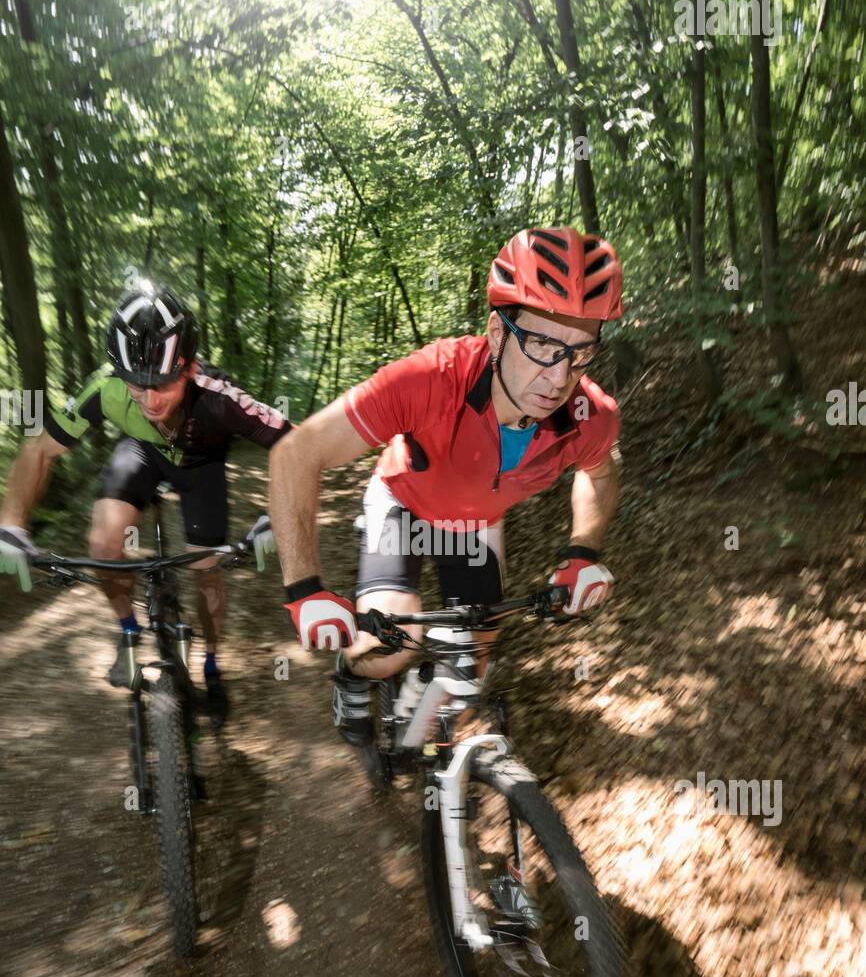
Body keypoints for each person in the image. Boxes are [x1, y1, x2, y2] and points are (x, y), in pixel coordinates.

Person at [268, 226, 623, 755]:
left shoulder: (589, 415)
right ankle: (350, 675)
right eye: (544, 344)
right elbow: (296, 453)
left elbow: (600, 473)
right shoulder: (432, 379)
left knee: (469, 667)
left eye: (580, 352)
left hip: (474, 524)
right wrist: (304, 590)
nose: (560, 375)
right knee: (387, 652)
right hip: (402, 504)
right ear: (498, 334)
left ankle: (419, 738)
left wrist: (582, 553)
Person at [0, 283, 289, 722]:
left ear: (188, 368)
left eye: (165, 384)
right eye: (137, 384)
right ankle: (128, 632)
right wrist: (12, 523)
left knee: (206, 570)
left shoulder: (219, 395)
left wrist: (280, 514)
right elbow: (39, 450)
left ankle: (210, 663)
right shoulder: (104, 388)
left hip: (199, 464)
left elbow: (297, 446)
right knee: (103, 542)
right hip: (141, 454)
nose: (151, 399)